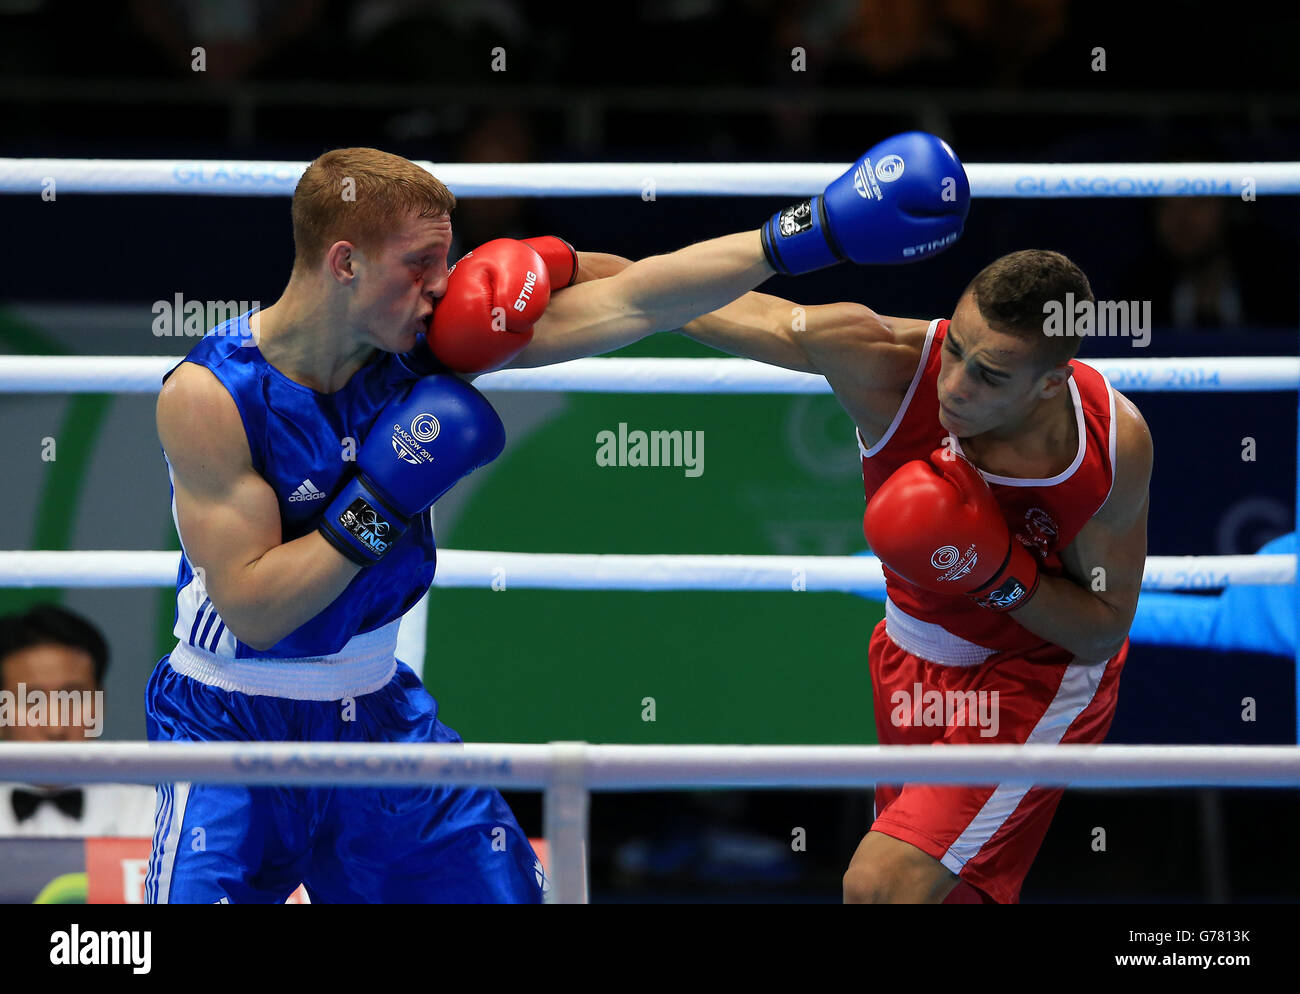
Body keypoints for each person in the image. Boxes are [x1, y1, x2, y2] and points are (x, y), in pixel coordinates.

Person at [147, 134, 970, 903]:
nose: (445, 281)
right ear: (344, 263)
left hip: (376, 714)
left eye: (448, 257)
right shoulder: (211, 395)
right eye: (421, 262)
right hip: (231, 725)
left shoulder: (426, 346)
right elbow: (256, 610)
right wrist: (382, 502)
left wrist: (802, 234)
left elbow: (640, 301)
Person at [677, 249, 1152, 903]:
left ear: (1048, 383)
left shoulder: (1104, 444)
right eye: (956, 349)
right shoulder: (889, 366)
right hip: (911, 657)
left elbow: (1101, 632)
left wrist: (997, 574)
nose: (955, 385)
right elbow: (669, 299)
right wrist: (560, 267)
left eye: (990, 375)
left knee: (881, 886)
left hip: (1036, 672)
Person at [0, 604, 155, 837]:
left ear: (100, 703)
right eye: (32, 701)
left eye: (74, 698)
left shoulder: (153, 809)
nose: (56, 728)